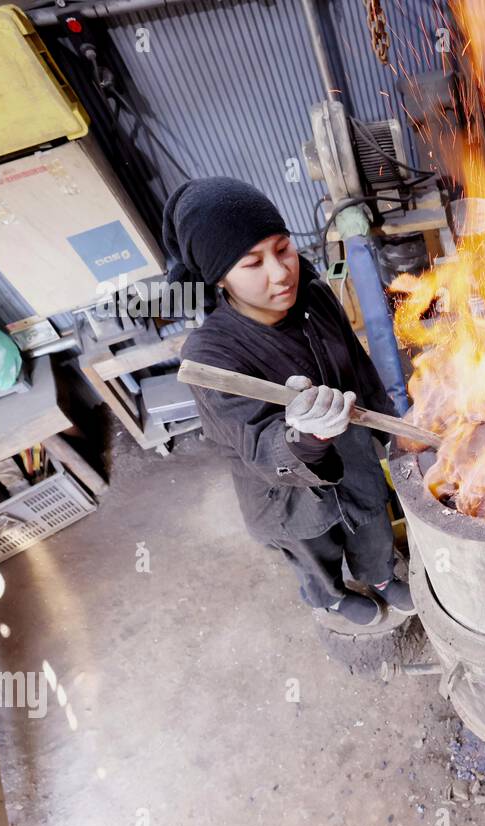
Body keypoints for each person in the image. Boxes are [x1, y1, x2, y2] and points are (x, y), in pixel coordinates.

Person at [166, 177, 413, 630]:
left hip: (352, 455)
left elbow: (360, 372)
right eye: (252, 262)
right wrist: (303, 435)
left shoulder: (314, 297)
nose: (281, 272)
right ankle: (331, 598)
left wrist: (394, 432)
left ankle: (379, 577)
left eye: (282, 249)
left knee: (372, 525)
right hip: (282, 488)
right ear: (220, 276)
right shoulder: (211, 356)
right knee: (314, 548)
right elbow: (256, 445)